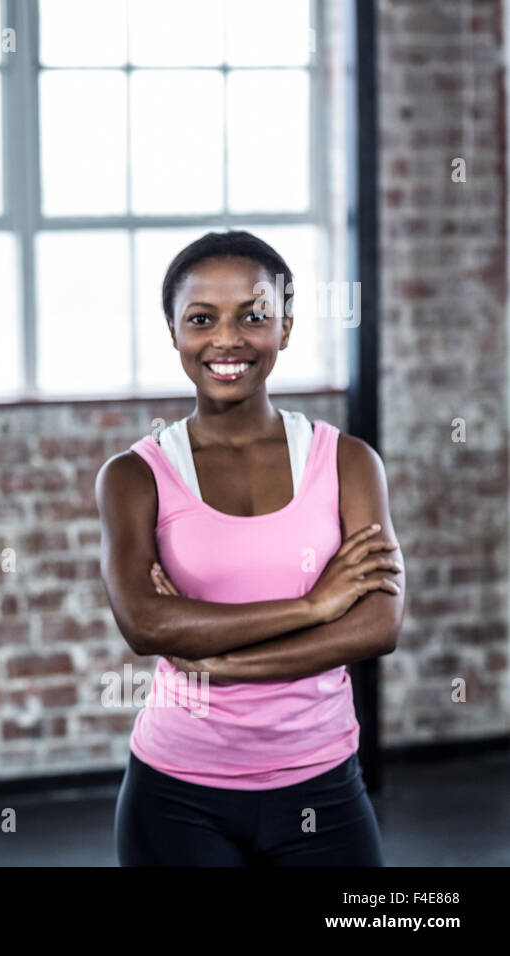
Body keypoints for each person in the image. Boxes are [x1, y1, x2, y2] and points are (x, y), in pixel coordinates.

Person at [95, 230, 405, 866]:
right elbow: (146, 623)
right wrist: (316, 607)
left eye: (253, 315)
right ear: (174, 331)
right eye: (201, 318)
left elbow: (378, 623)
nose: (226, 339)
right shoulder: (134, 475)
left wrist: (224, 664)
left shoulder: (346, 461)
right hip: (177, 797)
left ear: (285, 328)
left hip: (324, 784)